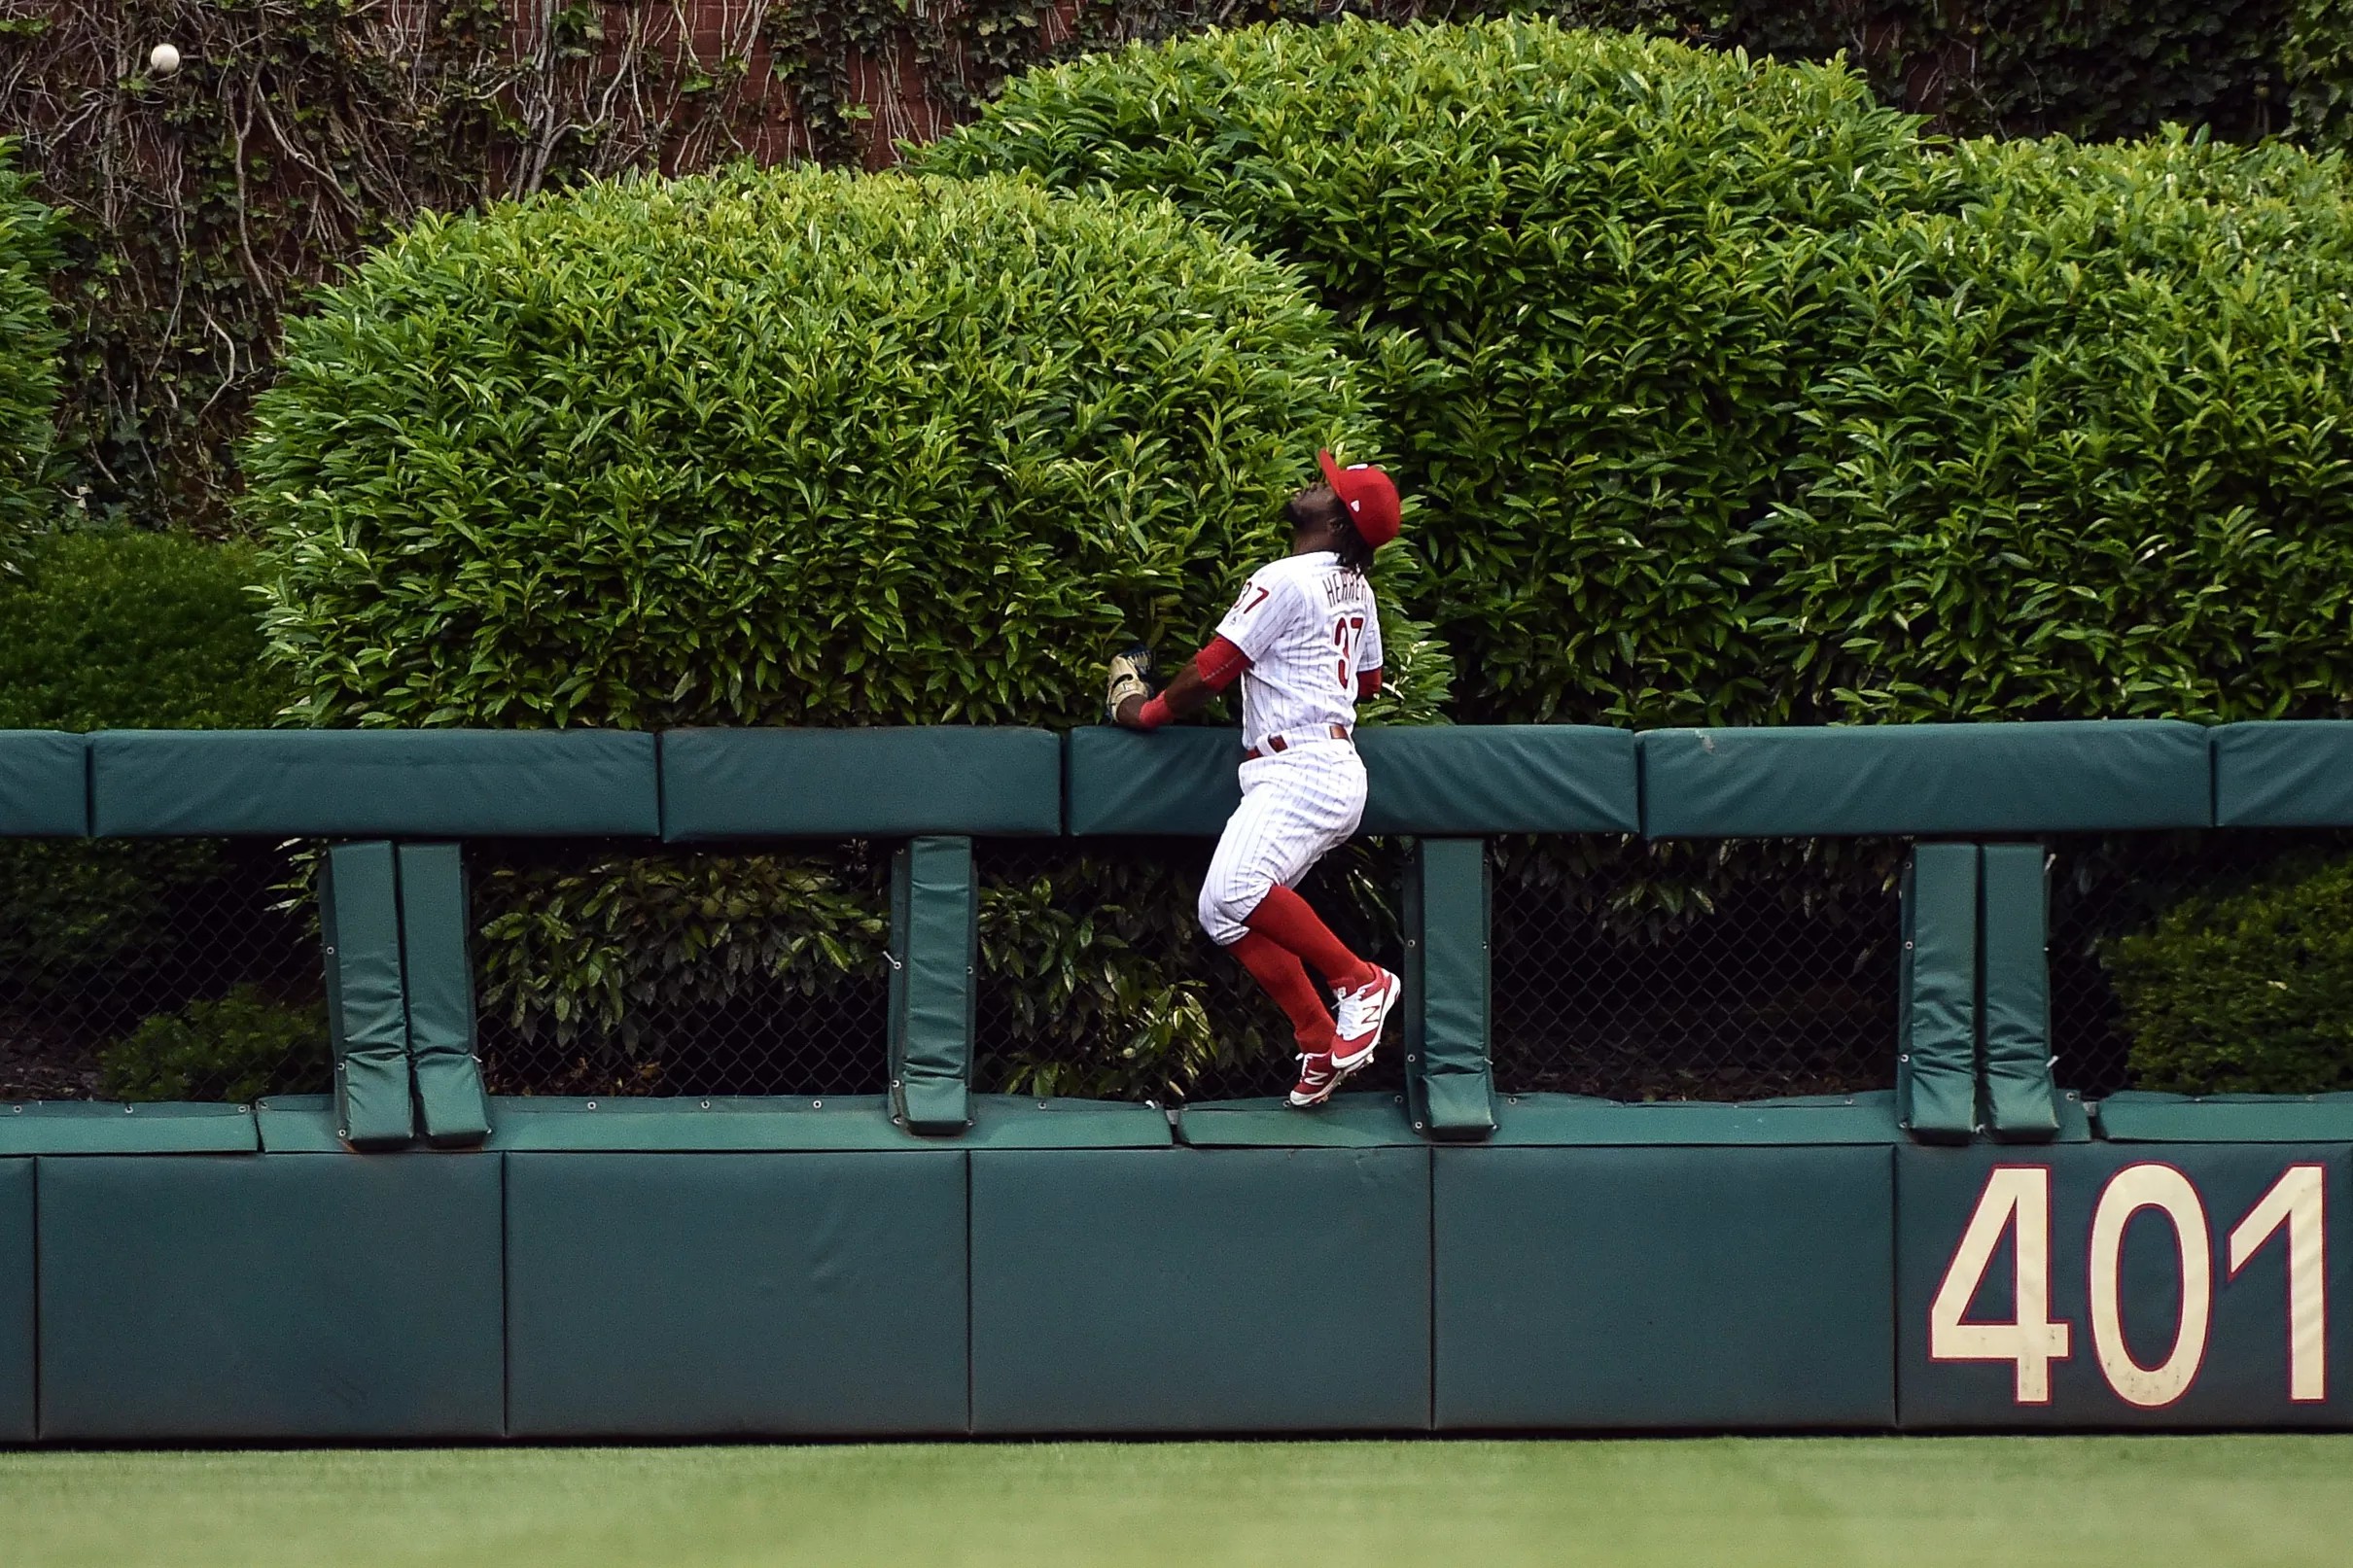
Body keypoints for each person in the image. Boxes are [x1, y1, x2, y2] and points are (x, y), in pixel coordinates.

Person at [1109, 451, 1405, 1106]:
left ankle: (1360, 981)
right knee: (1221, 911)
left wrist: (1145, 712)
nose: (1316, 486)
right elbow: (1368, 683)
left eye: (1330, 490)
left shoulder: (1286, 577)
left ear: (1337, 523)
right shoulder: (1357, 586)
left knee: (1238, 888)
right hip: (1316, 766)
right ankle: (1317, 1037)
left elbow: (1213, 669)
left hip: (1302, 767)